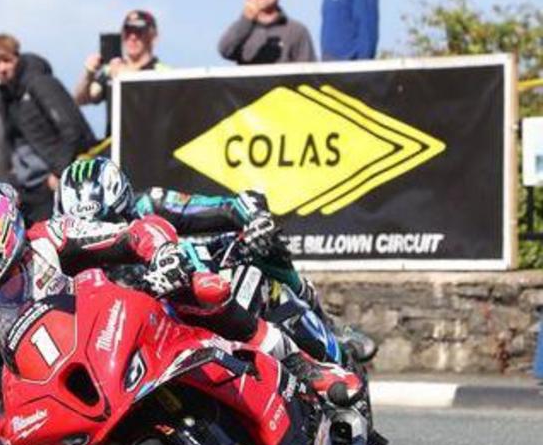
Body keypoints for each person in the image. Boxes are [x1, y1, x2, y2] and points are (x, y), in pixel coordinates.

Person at [0, 179, 362, 445]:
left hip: (127, 320)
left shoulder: (50, 239)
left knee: (203, 290)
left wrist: (163, 256)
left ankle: (306, 366)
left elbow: (135, 233)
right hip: (68, 390)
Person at [54, 156, 377, 364]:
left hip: (202, 295)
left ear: (125, 203)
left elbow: (235, 205)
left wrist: (256, 220)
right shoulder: (59, 251)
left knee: (263, 249)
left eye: (111, 223)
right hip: (136, 331)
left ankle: (328, 331)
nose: (106, 236)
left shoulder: (150, 205)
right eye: (90, 231)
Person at [0, 33, 96, 223]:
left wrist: (59, 172)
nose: (2, 68)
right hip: (28, 189)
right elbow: (12, 143)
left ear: (17, 58)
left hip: (56, 184)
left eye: (7, 61)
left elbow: (74, 128)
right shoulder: (6, 96)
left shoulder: (40, 83)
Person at [74, 9, 167, 136]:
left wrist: (127, 79)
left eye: (139, 32)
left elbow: (161, 111)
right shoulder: (110, 71)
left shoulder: (162, 73)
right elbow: (81, 99)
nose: (132, 37)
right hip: (115, 144)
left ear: (153, 37)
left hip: (147, 144)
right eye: (128, 31)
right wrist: (89, 73)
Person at [218, 0, 316, 65]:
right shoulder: (242, 29)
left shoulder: (297, 31)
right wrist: (246, 19)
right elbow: (225, 50)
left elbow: (309, 70)